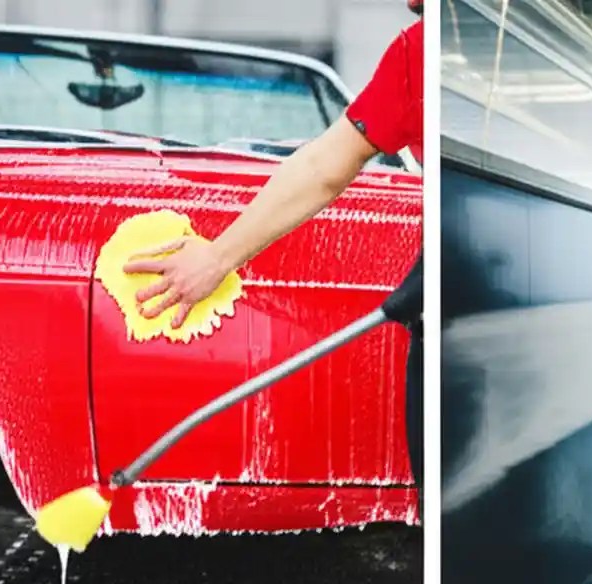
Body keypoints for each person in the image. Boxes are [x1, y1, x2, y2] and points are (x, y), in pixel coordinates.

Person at [120, 10, 424, 483]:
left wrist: (218, 256)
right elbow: (323, 165)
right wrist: (217, 257)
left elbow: (325, 167)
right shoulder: (416, 53)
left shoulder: (423, 49)